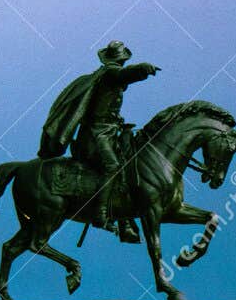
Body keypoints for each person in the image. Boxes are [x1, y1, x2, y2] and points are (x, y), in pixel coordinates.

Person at [38, 40, 160, 243]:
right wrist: (142, 69)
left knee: (132, 162)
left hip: (110, 131)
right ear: (120, 59)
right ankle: (100, 213)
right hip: (96, 135)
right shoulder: (110, 73)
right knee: (113, 166)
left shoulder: (107, 76)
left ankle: (125, 219)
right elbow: (123, 74)